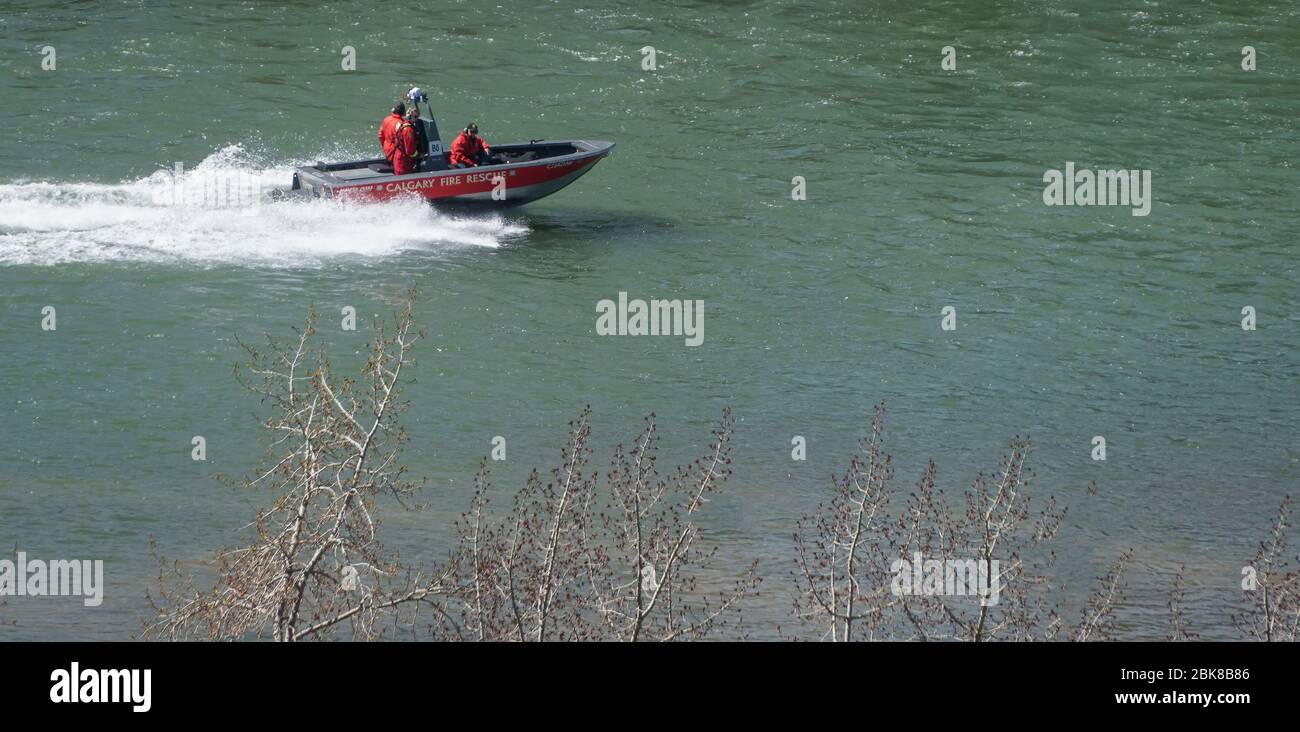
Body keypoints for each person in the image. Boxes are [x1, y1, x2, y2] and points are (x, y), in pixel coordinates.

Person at [392, 108, 422, 176]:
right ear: (410, 116)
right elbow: (410, 150)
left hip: (401, 158)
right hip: (403, 162)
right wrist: (418, 155)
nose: (416, 119)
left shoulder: (403, 124)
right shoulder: (408, 129)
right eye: (415, 117)